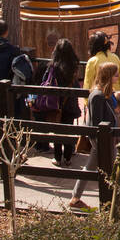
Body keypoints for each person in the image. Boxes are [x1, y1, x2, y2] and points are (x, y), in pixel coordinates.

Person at [70, 61, 120, 210]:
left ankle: (76, 197)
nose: (117, 77)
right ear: (108, 76)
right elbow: (96, 122)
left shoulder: (105, 94)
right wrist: (100, 141)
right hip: (103, 140)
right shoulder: (98, 96)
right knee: (111, 168)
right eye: (115, 75)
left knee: (92, 168)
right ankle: (112, 200)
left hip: (107, 139)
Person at [36, 38, 82, 166]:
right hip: (70, 102)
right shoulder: (74, 66)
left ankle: (57, 157)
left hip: (56, 102)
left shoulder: (53, 67)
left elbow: (45, 82)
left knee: (57, 131)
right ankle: (68, 157)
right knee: (68, 130)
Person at [82, 30, 120, 94]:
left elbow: (88, 83)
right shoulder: (116, 57)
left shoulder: (92, 61)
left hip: (99, 96)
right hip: (115, 96)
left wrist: (87, 101)